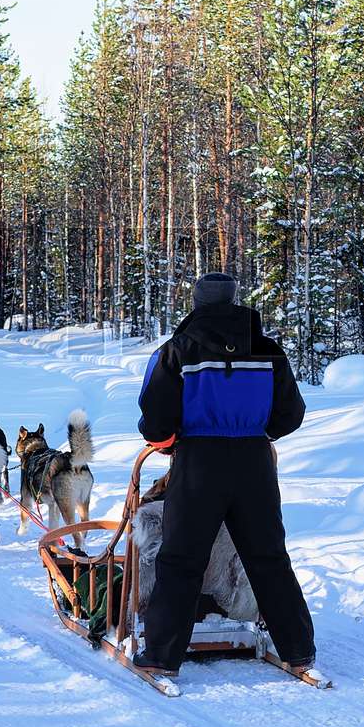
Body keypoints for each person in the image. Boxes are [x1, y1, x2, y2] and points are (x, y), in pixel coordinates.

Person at [132, 272, 316, 677]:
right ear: (235, 300)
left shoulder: (176, 351)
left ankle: (162, 654)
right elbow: (292, 413)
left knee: (181, 558)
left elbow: (155, 420)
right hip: (254, 462)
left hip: (198, 461)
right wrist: (257, 432)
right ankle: (299, 648)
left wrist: (172, 437)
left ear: (196, 303)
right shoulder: (268, 350)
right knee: (268, 557)